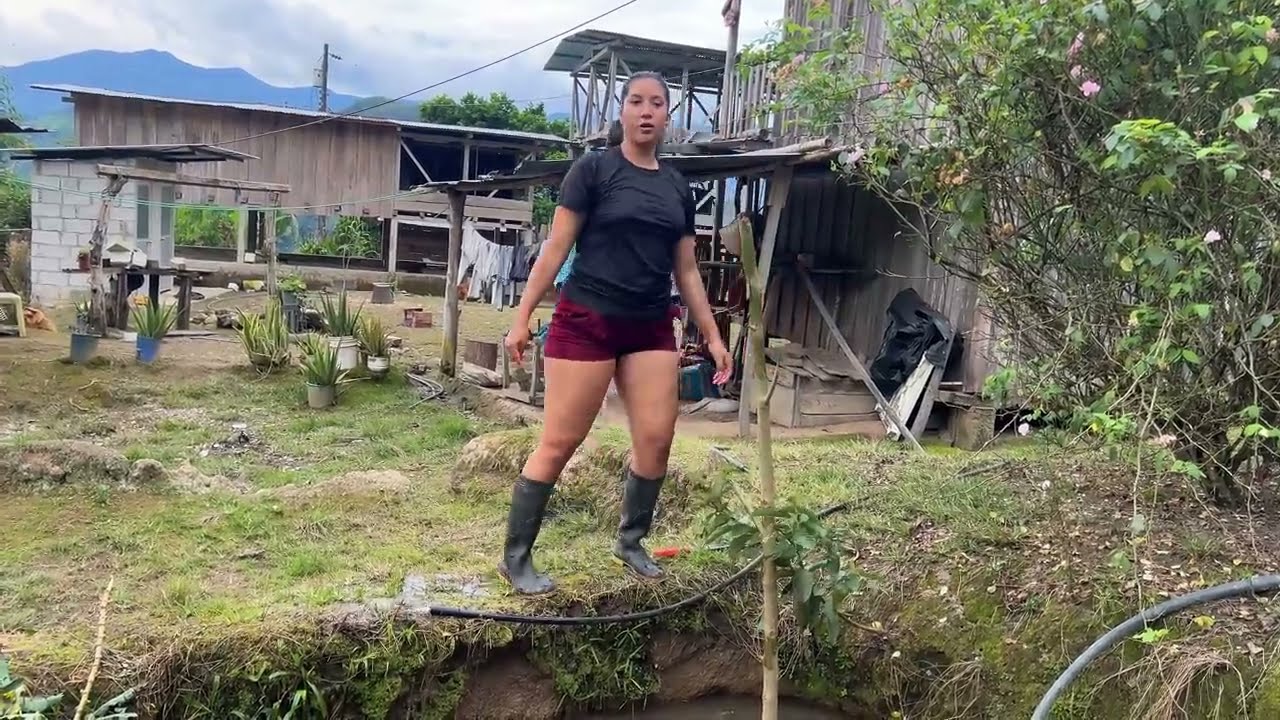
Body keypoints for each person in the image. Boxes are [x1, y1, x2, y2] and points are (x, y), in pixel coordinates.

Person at [500, 71, 733, 595]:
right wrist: (522, 316)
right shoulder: (593, 169)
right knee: (561, 440)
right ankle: (516, 558)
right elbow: (556, 248)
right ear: (623, 111)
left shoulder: (677, 187)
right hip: (587, 321)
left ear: (668, 116)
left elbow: (687, 270)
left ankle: (630, 542)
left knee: (656, 438)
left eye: (657, 103)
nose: (646, 111)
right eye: (637, 101)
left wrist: (713, 336)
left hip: (649, 325)